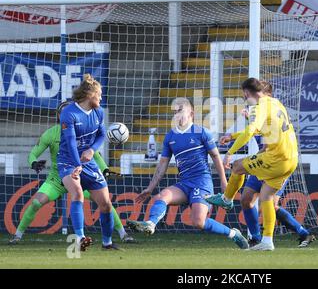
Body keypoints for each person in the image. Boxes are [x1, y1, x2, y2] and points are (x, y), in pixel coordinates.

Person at [126, 98, 249, 249]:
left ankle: (233, 233)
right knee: (161, 196)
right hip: (184, 183)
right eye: (175, 112)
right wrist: (150, 188)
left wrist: (224, 182)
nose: (177, 115)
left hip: (202, 182)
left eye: (180, 111)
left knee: (198, 222)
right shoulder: (170, 137)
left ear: (191, 113)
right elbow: (163, 164)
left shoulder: (201, 132)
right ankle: (150, 224)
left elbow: (216, 156)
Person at [8, 101, 135, 245]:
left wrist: (105, 169)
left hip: (79, 176)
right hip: (57, 179)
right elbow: (33, 153)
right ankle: (17, 236)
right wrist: (34, 163)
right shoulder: (50, 134)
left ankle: (123, 234)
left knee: (105, 202)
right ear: (60, 116)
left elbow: (95, 154)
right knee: (36, 202)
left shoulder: (82, 131)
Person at [205, 78, 299, 251]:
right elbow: (260, 130)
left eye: (244, 94)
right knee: (266, 198)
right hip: (291, 159)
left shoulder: (258, 106)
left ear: (247, 92)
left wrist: (230, 153)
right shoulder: (276, 103)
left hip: (275, 157)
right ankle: (267, 241)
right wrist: (233, 136)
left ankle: (226, 199)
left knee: (237, 166)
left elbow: (250, 130)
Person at [57, 74, 117, 250]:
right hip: (68, 161)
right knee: (77, 193)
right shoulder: (69, 113)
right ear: (90, 95)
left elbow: (101, 135)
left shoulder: (98, 112)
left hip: (88, 162)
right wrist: (77, 165)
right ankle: (80, 238)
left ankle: (107, 242)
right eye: (99, 94)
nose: (101, 97)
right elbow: (70, 142)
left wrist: (92, 150)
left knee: (106, 204)